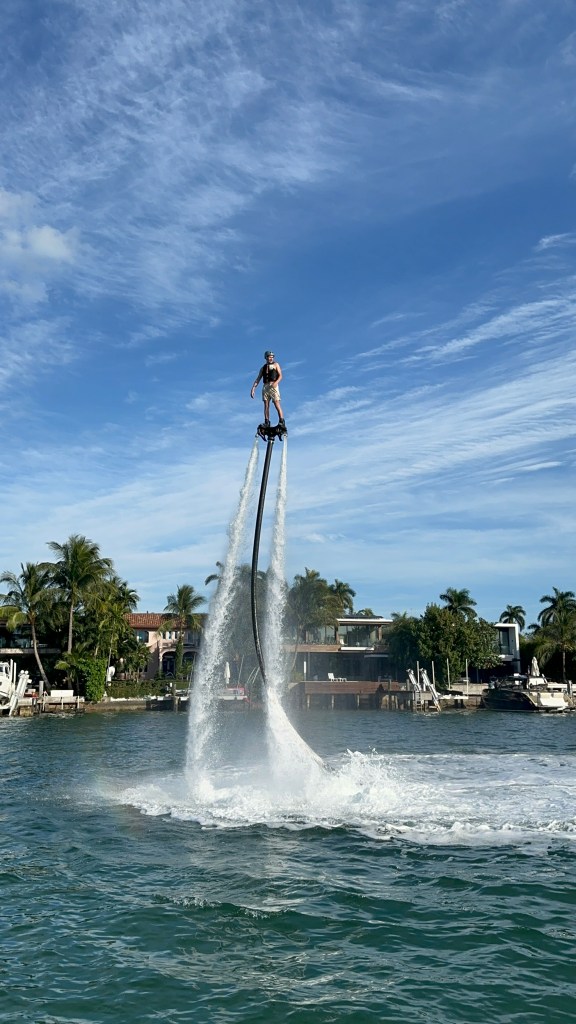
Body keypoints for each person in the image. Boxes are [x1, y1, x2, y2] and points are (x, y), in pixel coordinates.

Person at [250, 350, 286, 429]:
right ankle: (267, 422)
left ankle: (281, 421)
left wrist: (276, 382)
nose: (271, 358)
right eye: (269, 357)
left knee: (276, 403)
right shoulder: (263, 368)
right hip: (265, 386)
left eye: (272, 357)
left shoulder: (276, 364)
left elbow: (280, 376)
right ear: (266, 357)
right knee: (266, 405)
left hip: (273, 385)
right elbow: (258, 379)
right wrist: (253, 389)